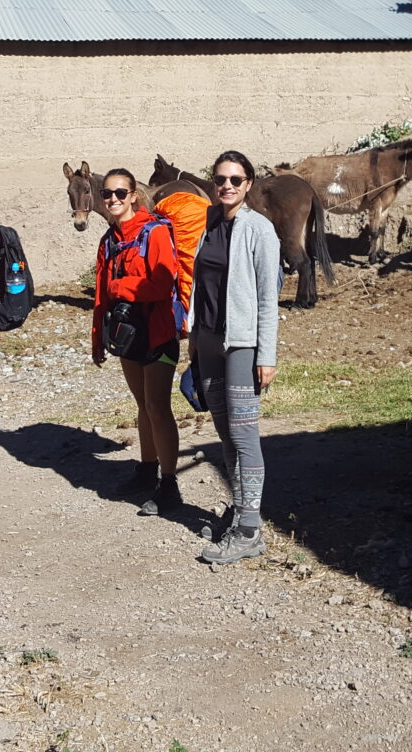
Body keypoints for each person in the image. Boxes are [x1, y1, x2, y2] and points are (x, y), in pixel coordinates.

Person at [189, 150, 282, 565]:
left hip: (241, 345)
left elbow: (267, 298)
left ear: (248, 185)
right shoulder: (209, 224)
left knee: (245, 437)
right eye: (220, 179)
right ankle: (242, 514)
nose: (227, 185)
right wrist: (193, 338)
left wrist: (267, 355)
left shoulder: (259, 230)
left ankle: (249, 529)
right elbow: (199, 284)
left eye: (235, 179)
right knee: (225, 433)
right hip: (207, 341)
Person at [90, 168, 187, 515]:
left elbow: (161, 285)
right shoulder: (109, 240)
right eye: (107, 194)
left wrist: (122, 287)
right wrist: (97, 337)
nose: (113, 199)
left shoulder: (155, 233)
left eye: (120, 193)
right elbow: (101, 294)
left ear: (133, 195)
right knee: (143, 406)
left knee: (158, 407)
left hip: (158, 333)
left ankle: (170, 484)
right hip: (126, 334)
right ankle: (147, 471)